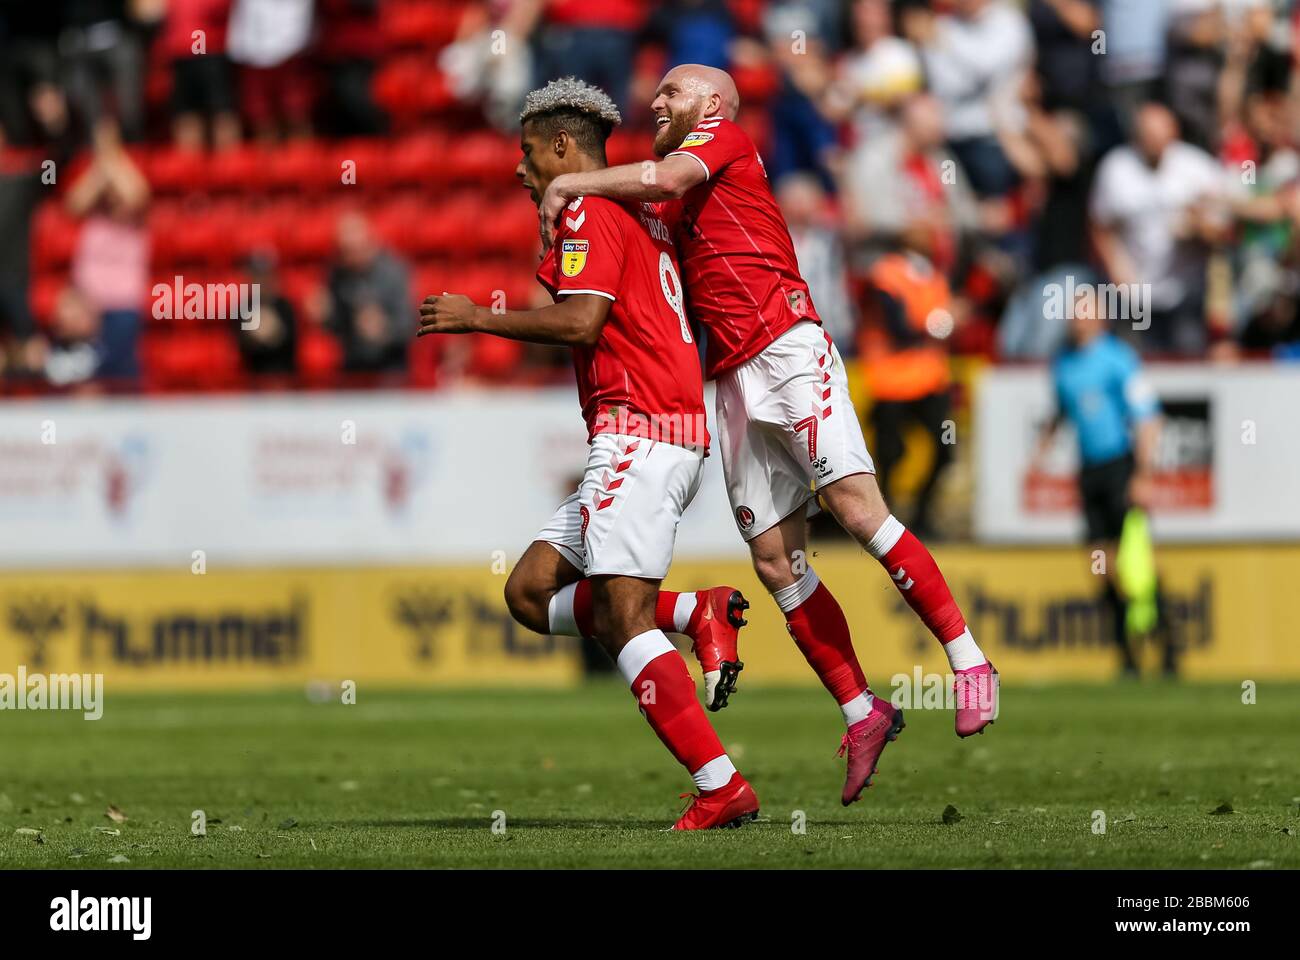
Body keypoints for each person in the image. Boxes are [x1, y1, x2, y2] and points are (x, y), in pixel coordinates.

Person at [539, 64, 999, 808]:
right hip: (727, 380)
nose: (656, 103)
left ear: (712, 103)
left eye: (672, 93)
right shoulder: (672, 198)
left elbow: (660, 177)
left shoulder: (721, 139)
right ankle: (862, 712)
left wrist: (571, 184)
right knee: (776, 562)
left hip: (786, 345)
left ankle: (970, 661)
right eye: (654, 95)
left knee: (855, 508)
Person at [417, 78, 758, 830]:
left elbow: (581, 322)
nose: (519, 168)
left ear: (564, 148)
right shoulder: (637, 205)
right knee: (529, 595)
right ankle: (695, 611)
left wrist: (480, 317)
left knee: (625, 620)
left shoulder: (589, 208)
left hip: (640, 430)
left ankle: (721, 784)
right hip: (655, 429)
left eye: (528, 151)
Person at [1034, 287, 1173, 677]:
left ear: (1100, 317)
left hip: (1120, 468)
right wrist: (1040, 454)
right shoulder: (1063, 363)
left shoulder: (1118, 358)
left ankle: (1167, 652)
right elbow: (1060, 411)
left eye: (1085, 311)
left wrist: (1143, 474)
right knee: (1100, 565)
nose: (1078, 318)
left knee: (1137, 564)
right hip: (1089, 472)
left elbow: (1148, 417)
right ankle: (1125, 654)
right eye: (1074, 311)